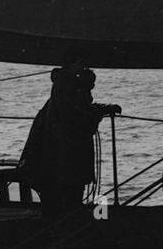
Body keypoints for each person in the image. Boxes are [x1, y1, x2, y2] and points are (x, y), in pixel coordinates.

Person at [18, 64, 120, 218]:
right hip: (66, 158)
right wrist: (99, 111)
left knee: (58, 197)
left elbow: (79, 111)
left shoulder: (60, 95)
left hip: (54, 158)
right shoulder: (68, 94)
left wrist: (98, 109)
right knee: (68, 196)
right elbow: (79, 118)